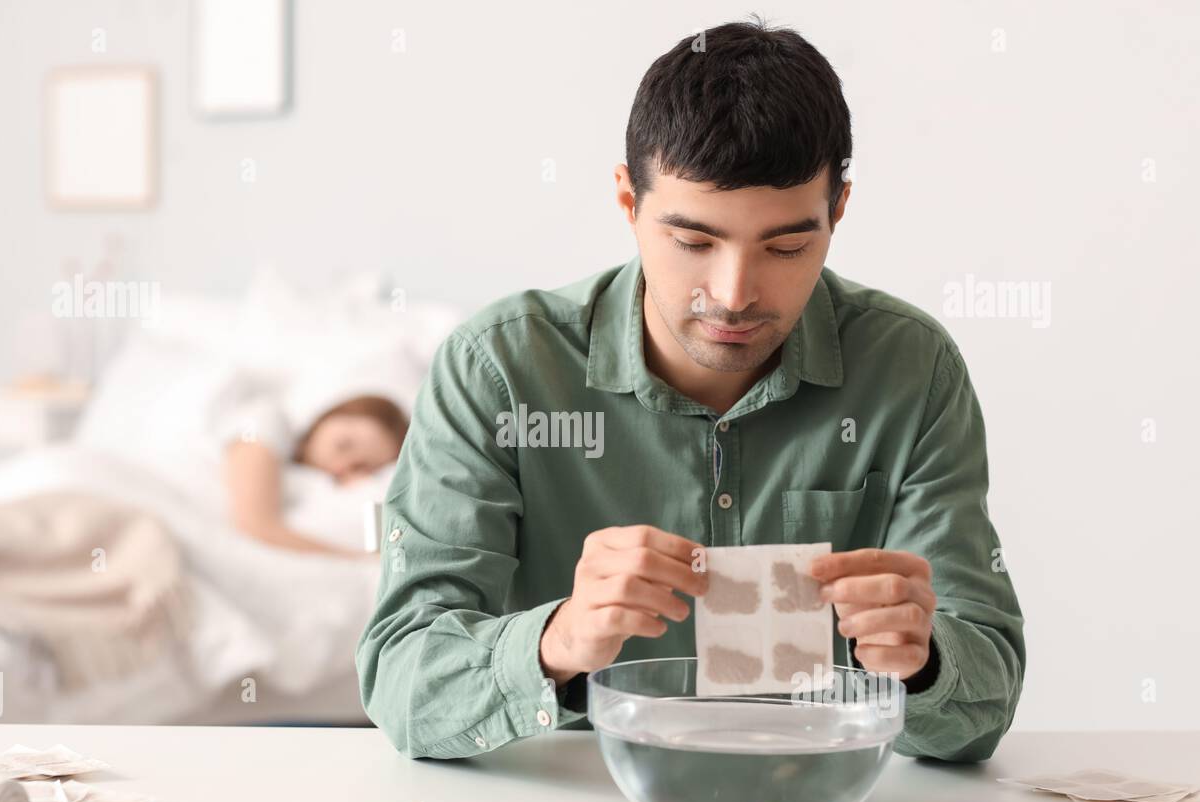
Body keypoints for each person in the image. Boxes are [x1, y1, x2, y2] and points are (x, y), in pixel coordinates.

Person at [358, 18, 1024, 761]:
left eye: (787, 246)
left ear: (838, 210)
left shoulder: (912, 370)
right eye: (694, 242)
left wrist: (925, 661)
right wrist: (560, 640)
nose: (734, 295)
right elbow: (400, 678)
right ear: (627, 201)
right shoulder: (500, 371)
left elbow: (985, 707)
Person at [224, 393, 408, 554]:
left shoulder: (313, 482)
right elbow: (257, 523)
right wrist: (359, 558)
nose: (340, 467)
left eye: (359, 466)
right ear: (327, 419)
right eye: (343, 445)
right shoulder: (264, 421)